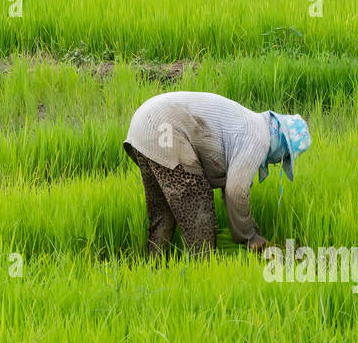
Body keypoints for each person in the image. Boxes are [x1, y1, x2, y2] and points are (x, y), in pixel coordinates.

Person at [123, 91, 310, 257]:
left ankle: (153, 268)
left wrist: (252, 229)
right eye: (284, 157)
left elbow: (231, 191)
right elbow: (236, 191)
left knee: (163, 213)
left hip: (143, 125)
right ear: (282, 144)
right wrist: (249, 237)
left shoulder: (250, 123)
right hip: (164, 126)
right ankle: (203, 270)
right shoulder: (259, 137)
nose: (278, 162)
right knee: (197, 199)